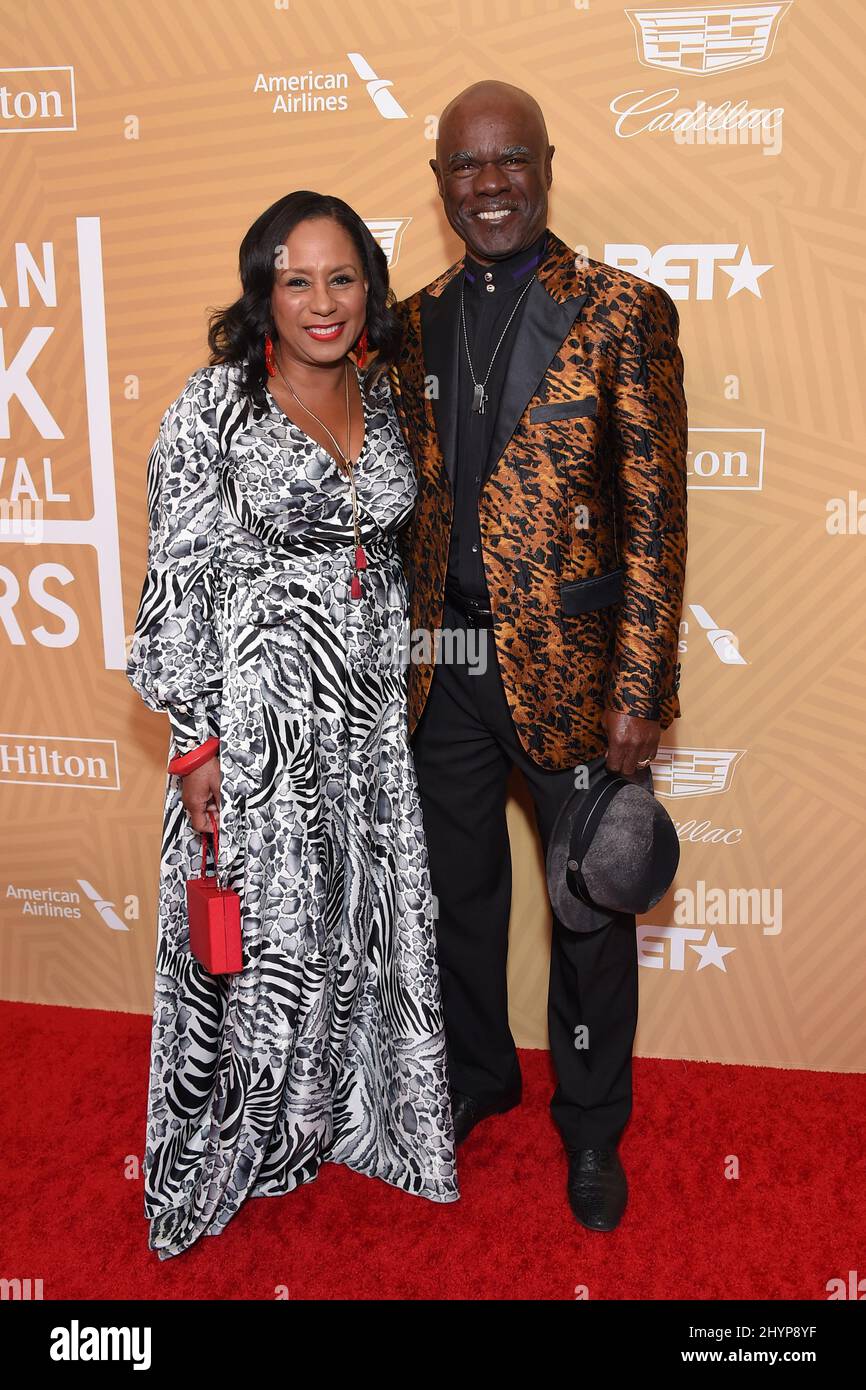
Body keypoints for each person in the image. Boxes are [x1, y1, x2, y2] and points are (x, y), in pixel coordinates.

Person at [126, 191, 458, 1261]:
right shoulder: (214, 405)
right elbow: (174, 577)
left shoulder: (387, 394)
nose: (322, 302)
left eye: (342, 277)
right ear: (262, 290)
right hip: (260, 715)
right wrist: (194, 739)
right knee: (259, 934)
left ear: (370, 288)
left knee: (352, 916)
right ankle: (241, 1138)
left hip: (363, 719)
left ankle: (344, 1118)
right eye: (297, 279)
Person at [389, 81, 687, 1232]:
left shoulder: (621, 311)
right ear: (440, 184)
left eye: (509, 158)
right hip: (442, 662)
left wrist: (637, 692)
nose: (489, 183)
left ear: (547, 165)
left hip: (574, 676)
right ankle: (476, 1076)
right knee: (456, 896)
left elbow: (656, 518)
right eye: (465, 165)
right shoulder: (410, 321)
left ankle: (591, 1129)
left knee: (587, 910)